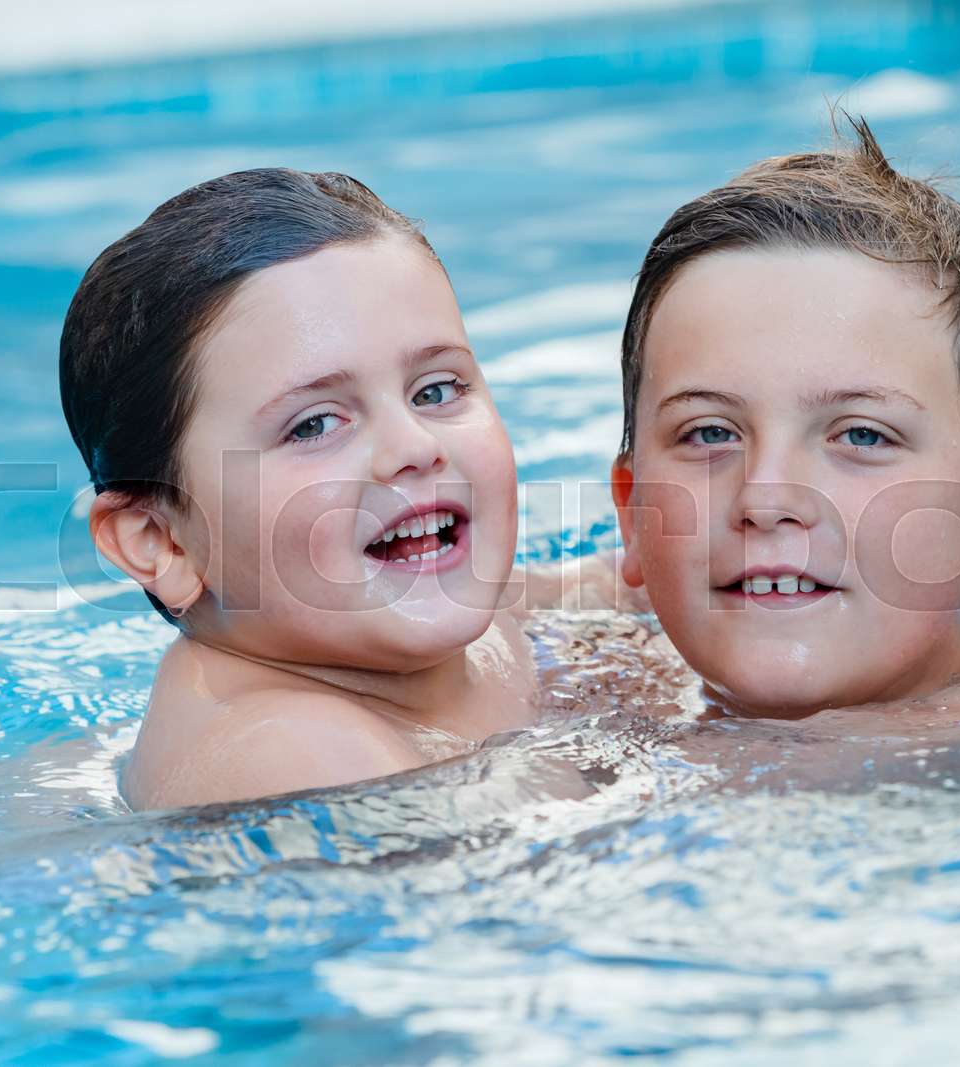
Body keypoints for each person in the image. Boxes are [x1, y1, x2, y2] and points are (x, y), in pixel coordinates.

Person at [60, 169, 635, 810]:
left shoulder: (454, 625)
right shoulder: (296, 757)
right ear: (160, 541)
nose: (414, 446)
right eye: (313, 425)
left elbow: (631, 589)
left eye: (436, 390)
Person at [609, 116, 960, 718]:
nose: (765, 499)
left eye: (862, 435)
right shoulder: (582, 710)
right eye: (709, 433)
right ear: (634, 513)